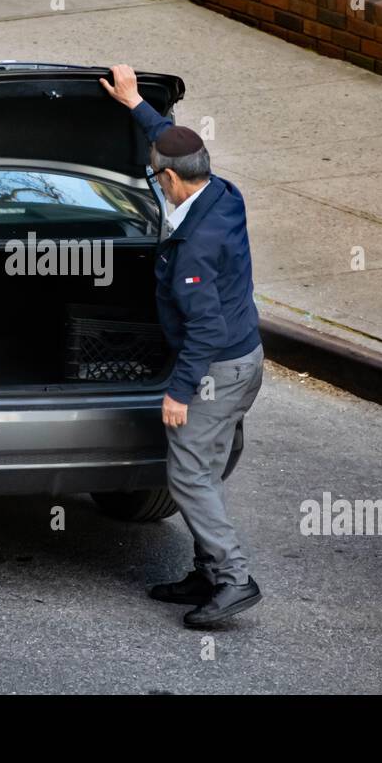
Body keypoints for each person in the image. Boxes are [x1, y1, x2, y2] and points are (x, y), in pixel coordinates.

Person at [100, 64, 265, 627]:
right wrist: (136, 105)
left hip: (216, 366)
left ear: (171, 181)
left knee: (188, 476)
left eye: (155, 175)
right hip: (245, 360)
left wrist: (178, 392)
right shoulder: (223, 193)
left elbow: (205, 332)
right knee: (207, 469)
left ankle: (234, 578)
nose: (155, 181)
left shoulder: (195, 249)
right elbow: (170, 146)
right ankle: (207, 575)